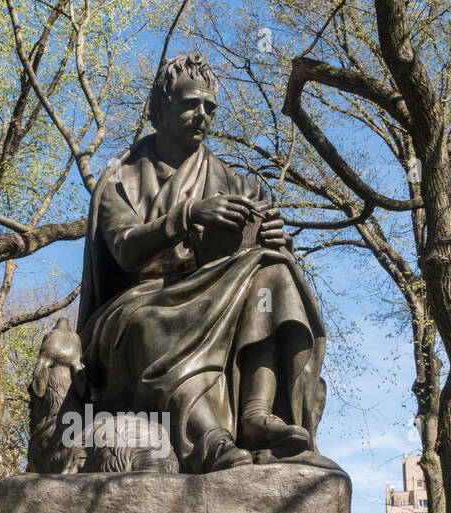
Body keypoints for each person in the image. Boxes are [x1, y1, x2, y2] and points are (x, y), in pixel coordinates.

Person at [76, 53, 336, 474]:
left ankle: (254, 412)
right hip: (139, 306)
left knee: (274, 271)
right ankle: (207, 437)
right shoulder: (118, 181)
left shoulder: (236, 184)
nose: (203, 116)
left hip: (220, 294)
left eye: (210, 108)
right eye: (191, 104)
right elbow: (126, 249)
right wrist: (188, 216)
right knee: (150, 325)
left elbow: (257, 249)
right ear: (158, 109)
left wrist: (275, 242)